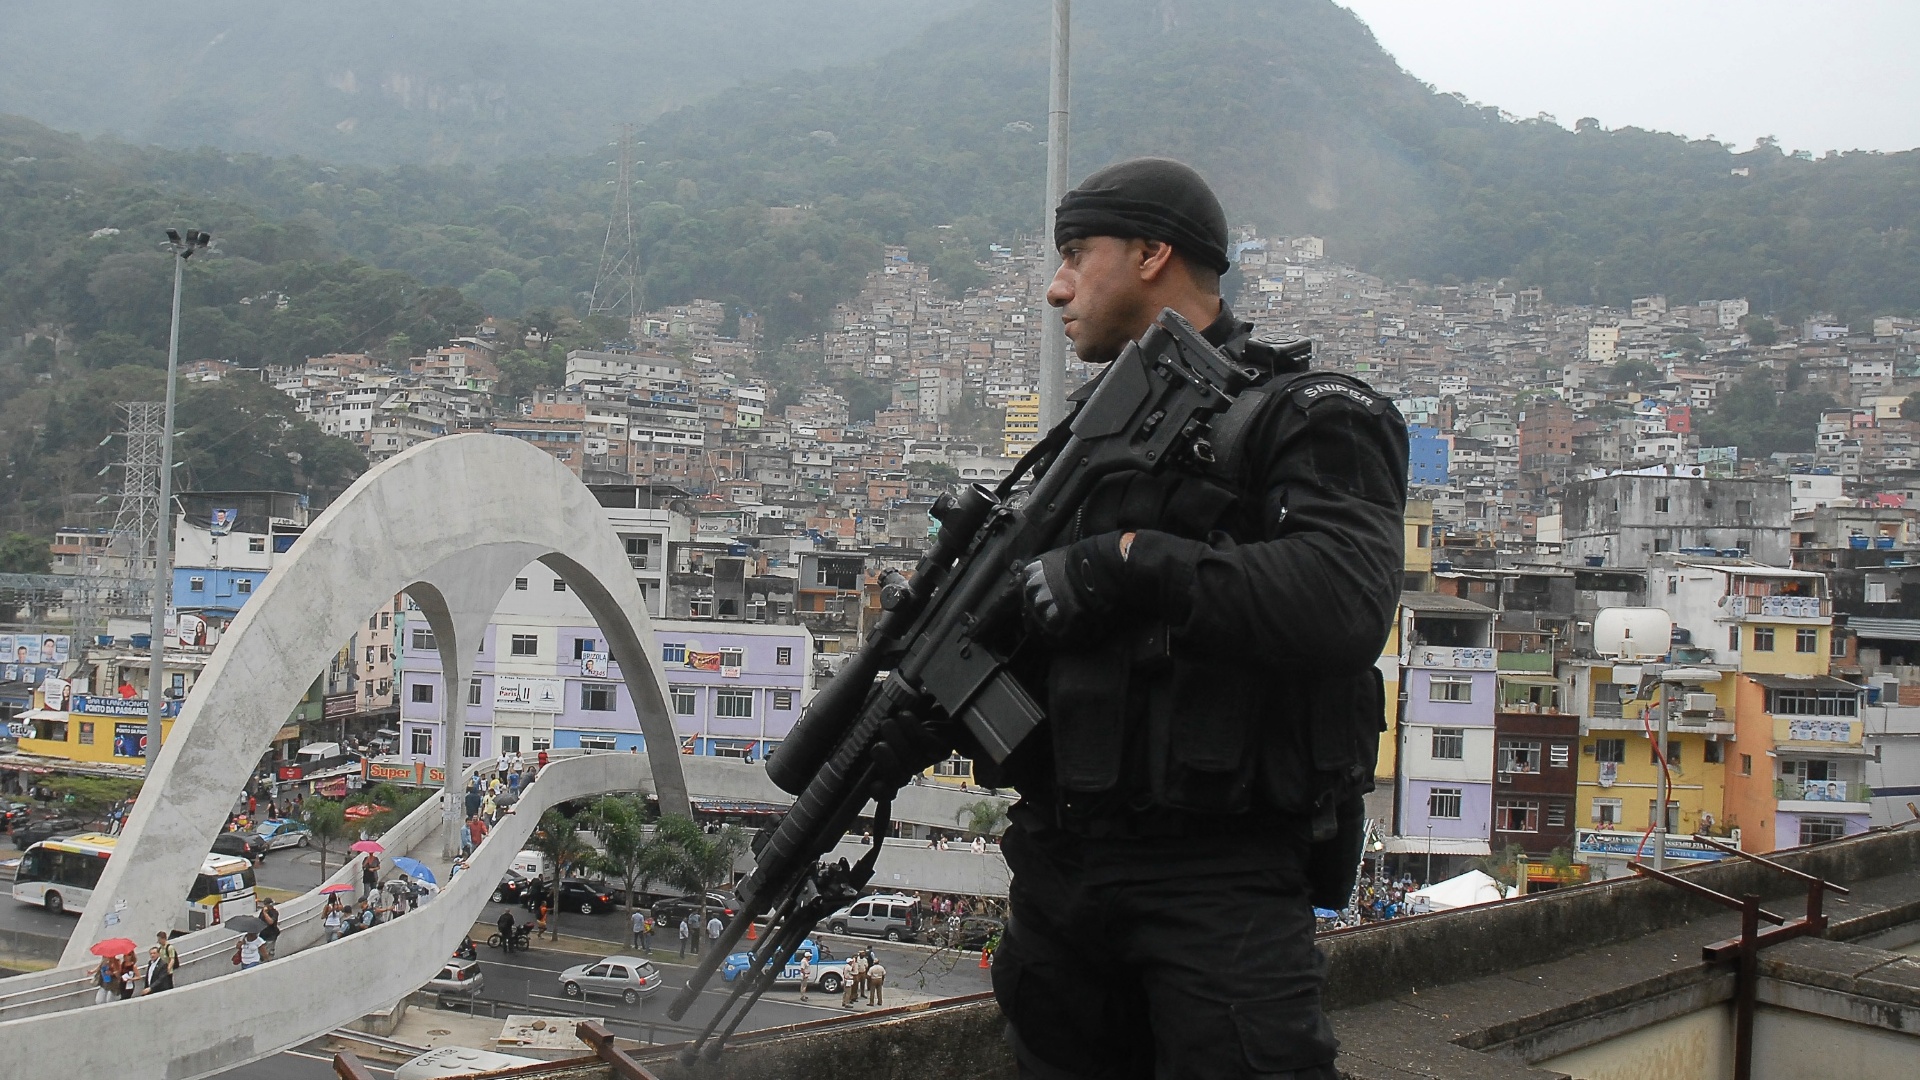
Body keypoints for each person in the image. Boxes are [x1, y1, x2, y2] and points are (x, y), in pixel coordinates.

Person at [982, 158, 1406, 1080]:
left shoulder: (1307, 415)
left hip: (1222, 878)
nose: (1056, 286)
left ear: (1151, 253)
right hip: (1066, 868)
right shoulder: (1089, 440)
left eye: (1074, 253)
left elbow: (1342, 597)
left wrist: (1128, 563)